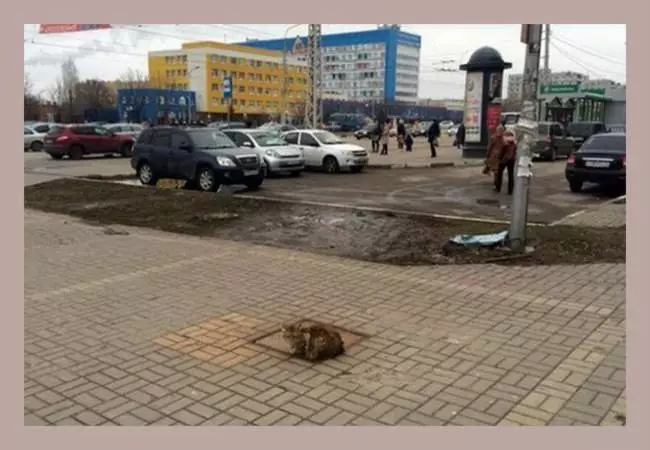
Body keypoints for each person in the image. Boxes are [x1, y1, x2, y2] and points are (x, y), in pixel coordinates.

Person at [486, 126, 517, 195]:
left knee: (499, 173)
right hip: (511, 159)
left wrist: (499, 158)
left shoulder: (504, 140)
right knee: (510, 175)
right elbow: (515, 150)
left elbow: (502, 150)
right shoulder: (513, 141)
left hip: (504, 159)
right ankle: (510, 191)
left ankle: (498, 188)